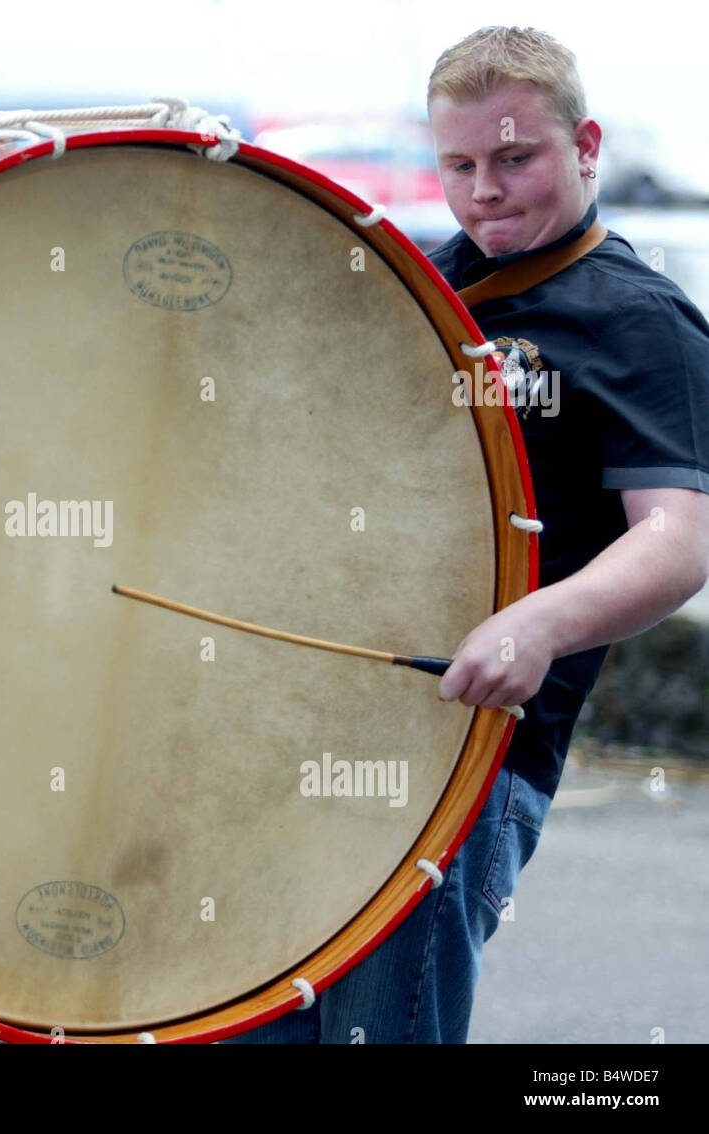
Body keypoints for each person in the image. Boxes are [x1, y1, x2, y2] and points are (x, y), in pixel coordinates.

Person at [227, 25, 709, 1044]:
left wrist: (537, 624)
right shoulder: (414, 289)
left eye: (513, 158)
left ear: (584, 144)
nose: (484, 190)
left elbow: (677, 540)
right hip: (310, 735)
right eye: (459, 165)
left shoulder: (641, 320)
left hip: (467, 759)